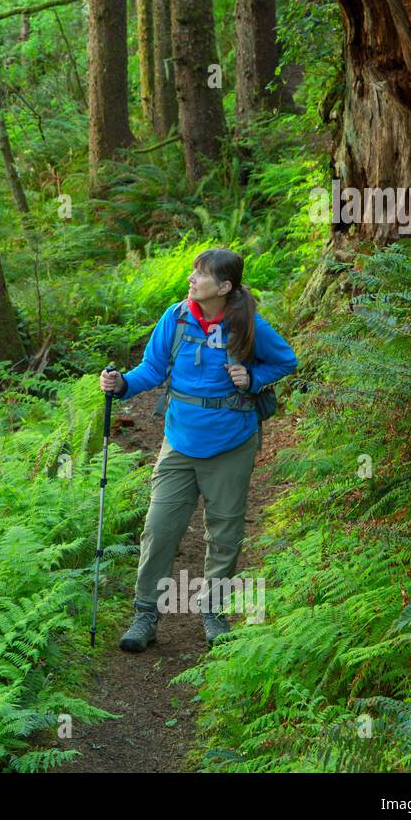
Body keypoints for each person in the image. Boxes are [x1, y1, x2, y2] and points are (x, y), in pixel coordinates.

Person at [99, 248, 298, 650]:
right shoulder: (175, 318)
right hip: (179, 443)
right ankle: (145, 615)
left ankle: (214, 614)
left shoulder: (247, 324)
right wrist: (122, 385)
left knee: (224, 533)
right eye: (193, 271)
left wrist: (253, 377)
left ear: (224, 286)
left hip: (232, 443)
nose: (192, 278)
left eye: (201, 274)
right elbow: (152, 370)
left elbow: (286, 361)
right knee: (158, 529)